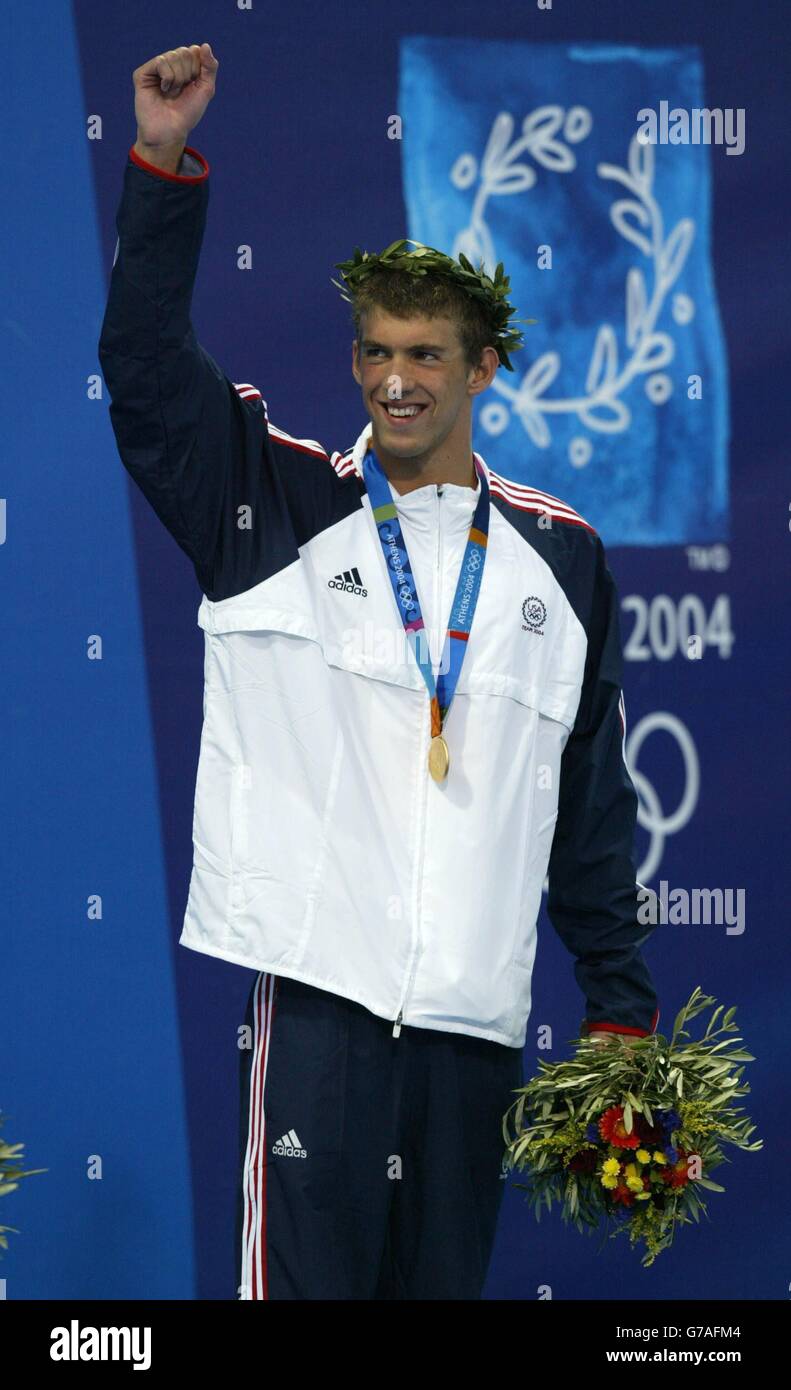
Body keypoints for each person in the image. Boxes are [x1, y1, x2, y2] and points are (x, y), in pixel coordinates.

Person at [98, 43, 660, 1301]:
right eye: (373, 352)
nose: (395, 378)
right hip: (320, 1018)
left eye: (424, 355)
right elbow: (143, 379)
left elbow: (586, 804)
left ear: (482, 369)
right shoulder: (276, 503)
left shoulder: (558, 558)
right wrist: (161, 162)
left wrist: (618, 1011)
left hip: (471, 1031)